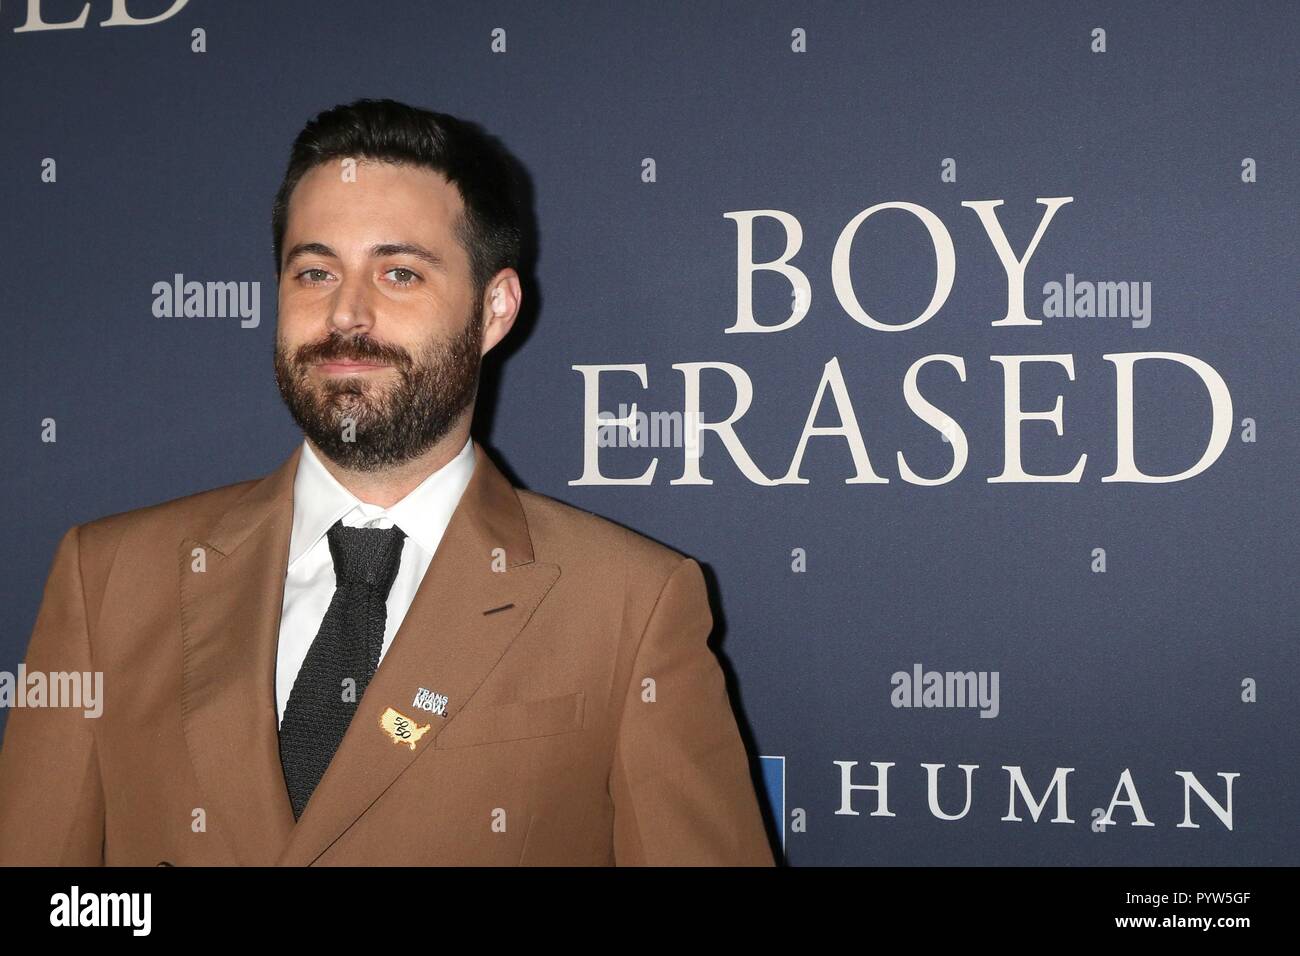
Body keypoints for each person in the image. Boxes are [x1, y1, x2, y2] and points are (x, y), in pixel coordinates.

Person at [0, 98, 773, 866]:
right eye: (314, 270)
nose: (346, 314)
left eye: (399, 272)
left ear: (494, 309)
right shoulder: (107, 579)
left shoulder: (632, 605)